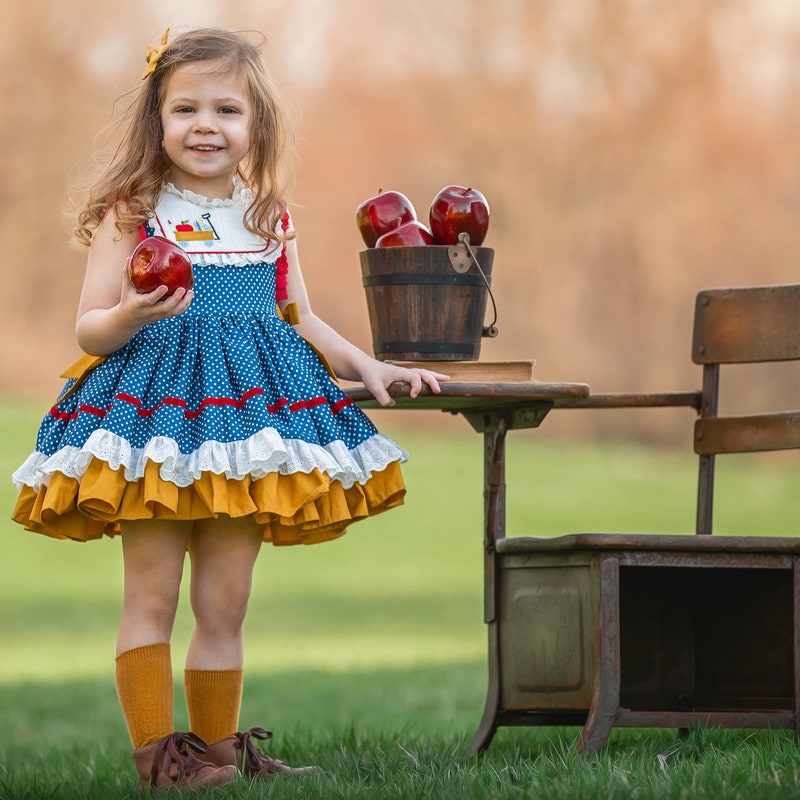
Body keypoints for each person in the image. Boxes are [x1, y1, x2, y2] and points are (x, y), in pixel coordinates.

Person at [11, 27, 447, 792]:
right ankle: (159, 759)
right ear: (157, 120)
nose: (205, 125)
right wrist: (134, 313)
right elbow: (89, 327)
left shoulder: (268, 214)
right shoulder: (135, 210)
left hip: (242, 433)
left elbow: (298, 318)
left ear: (256, 123)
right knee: (152, 595)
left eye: (226, 110)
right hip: (154, 424)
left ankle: (216, 752)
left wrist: (369, 364)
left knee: (225, 603)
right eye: (185, 109)